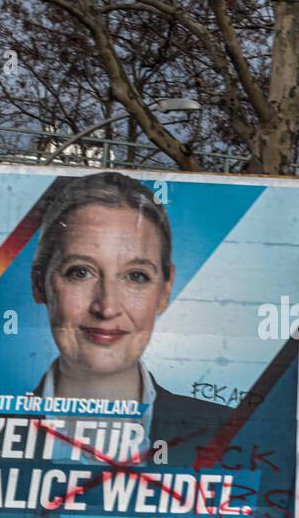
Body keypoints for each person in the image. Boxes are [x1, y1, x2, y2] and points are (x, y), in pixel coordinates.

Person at [27, 171, 229, 466]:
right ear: (39, 283)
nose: (107, 307)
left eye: (136, 276)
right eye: (80, 271)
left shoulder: (228, 436)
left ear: (165, 290)